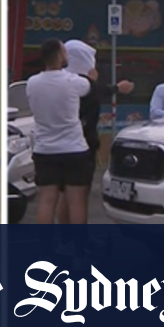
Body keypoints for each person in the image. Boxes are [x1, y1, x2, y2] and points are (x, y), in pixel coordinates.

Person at [55, 40, 134, 227]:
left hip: (57, 146)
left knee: (62, 194)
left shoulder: (57, 83)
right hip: (81, 147)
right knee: (78, 196)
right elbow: (96, 90)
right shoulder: (84, 86)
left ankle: (63, 236)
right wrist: (116, 87)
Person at [25, 39, 93, 244]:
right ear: (59, 55)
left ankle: (46, 251)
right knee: (76, 203)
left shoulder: (32, 83)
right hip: (74, 149)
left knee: (46, 201)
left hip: (45, 150)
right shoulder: (75, 82)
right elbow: (89, 87)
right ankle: (78, 251)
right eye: (65, 52)